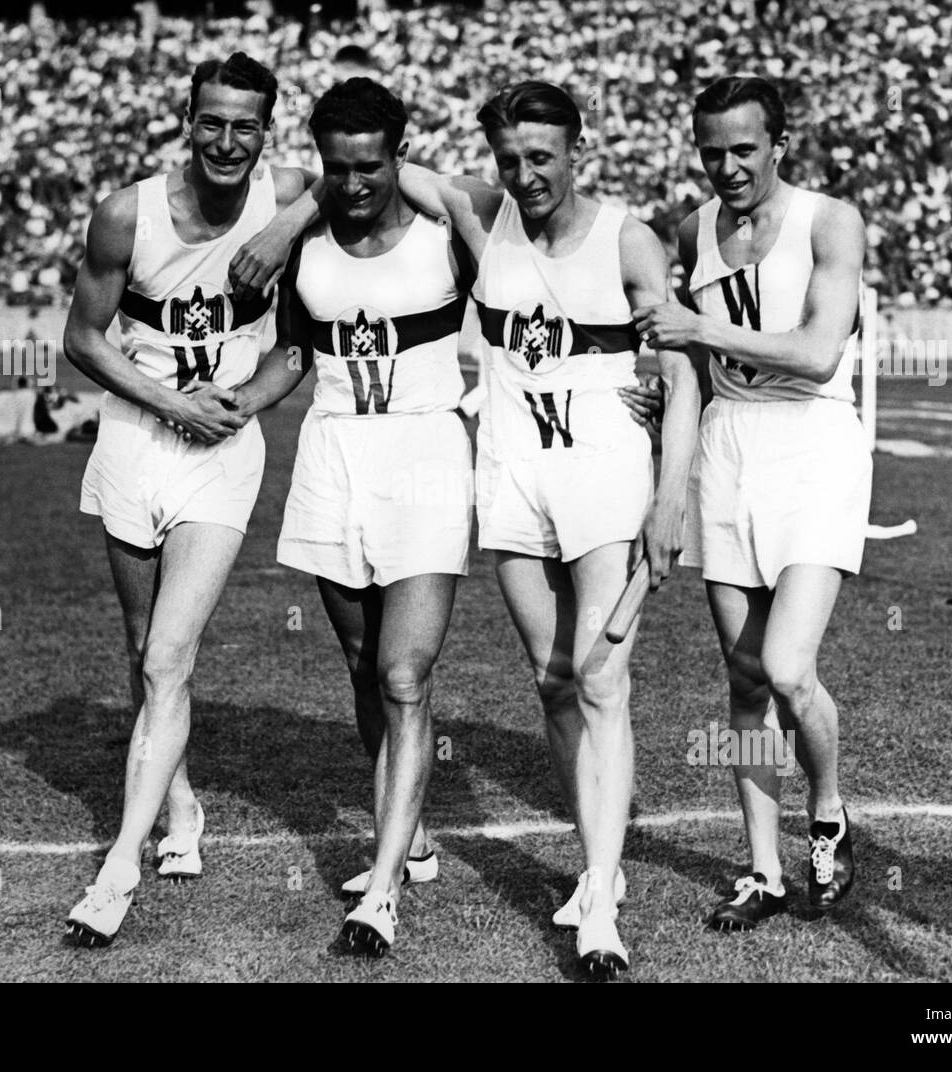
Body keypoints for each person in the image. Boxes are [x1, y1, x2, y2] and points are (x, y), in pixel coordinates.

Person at [249, 81, 698, 977]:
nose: (526, 175)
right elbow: (360, 176)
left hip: (604, 470)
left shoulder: (628, 238)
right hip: (509, 473)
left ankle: (601, 899)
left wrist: (672, 489)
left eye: (543, 156)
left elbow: (680, 363)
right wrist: (280, 223)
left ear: (580, 149)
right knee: (552, 677)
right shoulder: (478, 216)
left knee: (603, 677)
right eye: (509, 158)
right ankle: (590, 862)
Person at [59, 52, 318, 946]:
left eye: (245, 124)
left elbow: (298, 344)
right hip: (137, 438)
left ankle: (118, 866)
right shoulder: (125, 213)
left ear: (266, 130)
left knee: (169, 653)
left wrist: (240, 404)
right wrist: (171, 402)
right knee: (143, 648)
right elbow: (82, 339)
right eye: (211, 121)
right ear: (187, 119)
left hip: (223, 452)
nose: (226, 140)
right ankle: (181, 808)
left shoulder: (286, 191)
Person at [212, 77, 473, 957]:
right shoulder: (311, 244)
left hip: (427, 457)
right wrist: (238, 404)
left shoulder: (443, 233)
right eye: (337, 169)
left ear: (400, 156)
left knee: (406, 674)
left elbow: (519, 247)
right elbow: (294, 352)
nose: (355, 185)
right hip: (333, 458)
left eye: (371, 167)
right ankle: (415, 837)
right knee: (365, 665)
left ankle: (384, 886)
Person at [631, 74, 868, 931]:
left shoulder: (829, 221)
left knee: (788, 669)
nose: (727, 166)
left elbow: (814, 351)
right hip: (728, 448)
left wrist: (701, 330)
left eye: (743, 148)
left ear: (779, 145)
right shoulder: (694, 227)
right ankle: (763, 872)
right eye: (711, 150)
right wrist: (666, 478)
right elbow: (686, 371)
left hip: (812, 441)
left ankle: (830, 813)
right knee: (741, 678)